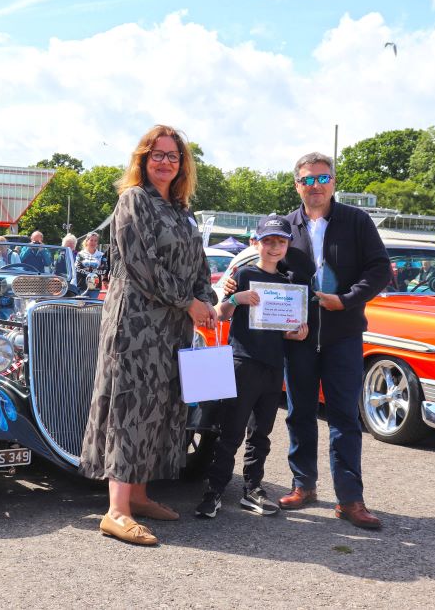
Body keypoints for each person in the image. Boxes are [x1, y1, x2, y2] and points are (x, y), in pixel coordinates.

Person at [225, 151, 391, 529]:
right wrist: (237, 282)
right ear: (297, 185)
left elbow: (380, 269)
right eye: (307, 180)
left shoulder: (356, 221)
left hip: (343, 335)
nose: (315, 186)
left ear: (333, 182)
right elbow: (267, 269)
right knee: (299, 413)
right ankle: (304, 485)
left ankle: (350, 499)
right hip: (297, 338)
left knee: (344, 417)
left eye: (322, 178)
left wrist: (346, 300)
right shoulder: (286, 225)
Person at [79, 124, 217, 546]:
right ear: (143, 159)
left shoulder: (181, 209)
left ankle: (138, 495)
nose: (165, 162)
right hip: (135, 324)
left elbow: (199, 263)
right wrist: (189, 302)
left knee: (160, 406)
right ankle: (116, 511)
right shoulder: (133, 199)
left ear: (182, 164)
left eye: (173, 156)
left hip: (173, 324)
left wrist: (205, 300)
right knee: (131, 406)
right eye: (157, 154)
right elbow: (143, 265)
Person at [195, 214, 309, 519]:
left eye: (280, 242)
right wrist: (236, 298)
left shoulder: (288, 283)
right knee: (230, 432)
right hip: (242, 362)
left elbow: (285, 328)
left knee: (261, 434)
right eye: (268, 241)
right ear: (255, 243)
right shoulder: (243, 274)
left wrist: (297, 332)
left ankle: (252, 489)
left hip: (273, 365)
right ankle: (214, 491)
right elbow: (219, 314)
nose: (274, 247)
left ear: (287, 245)